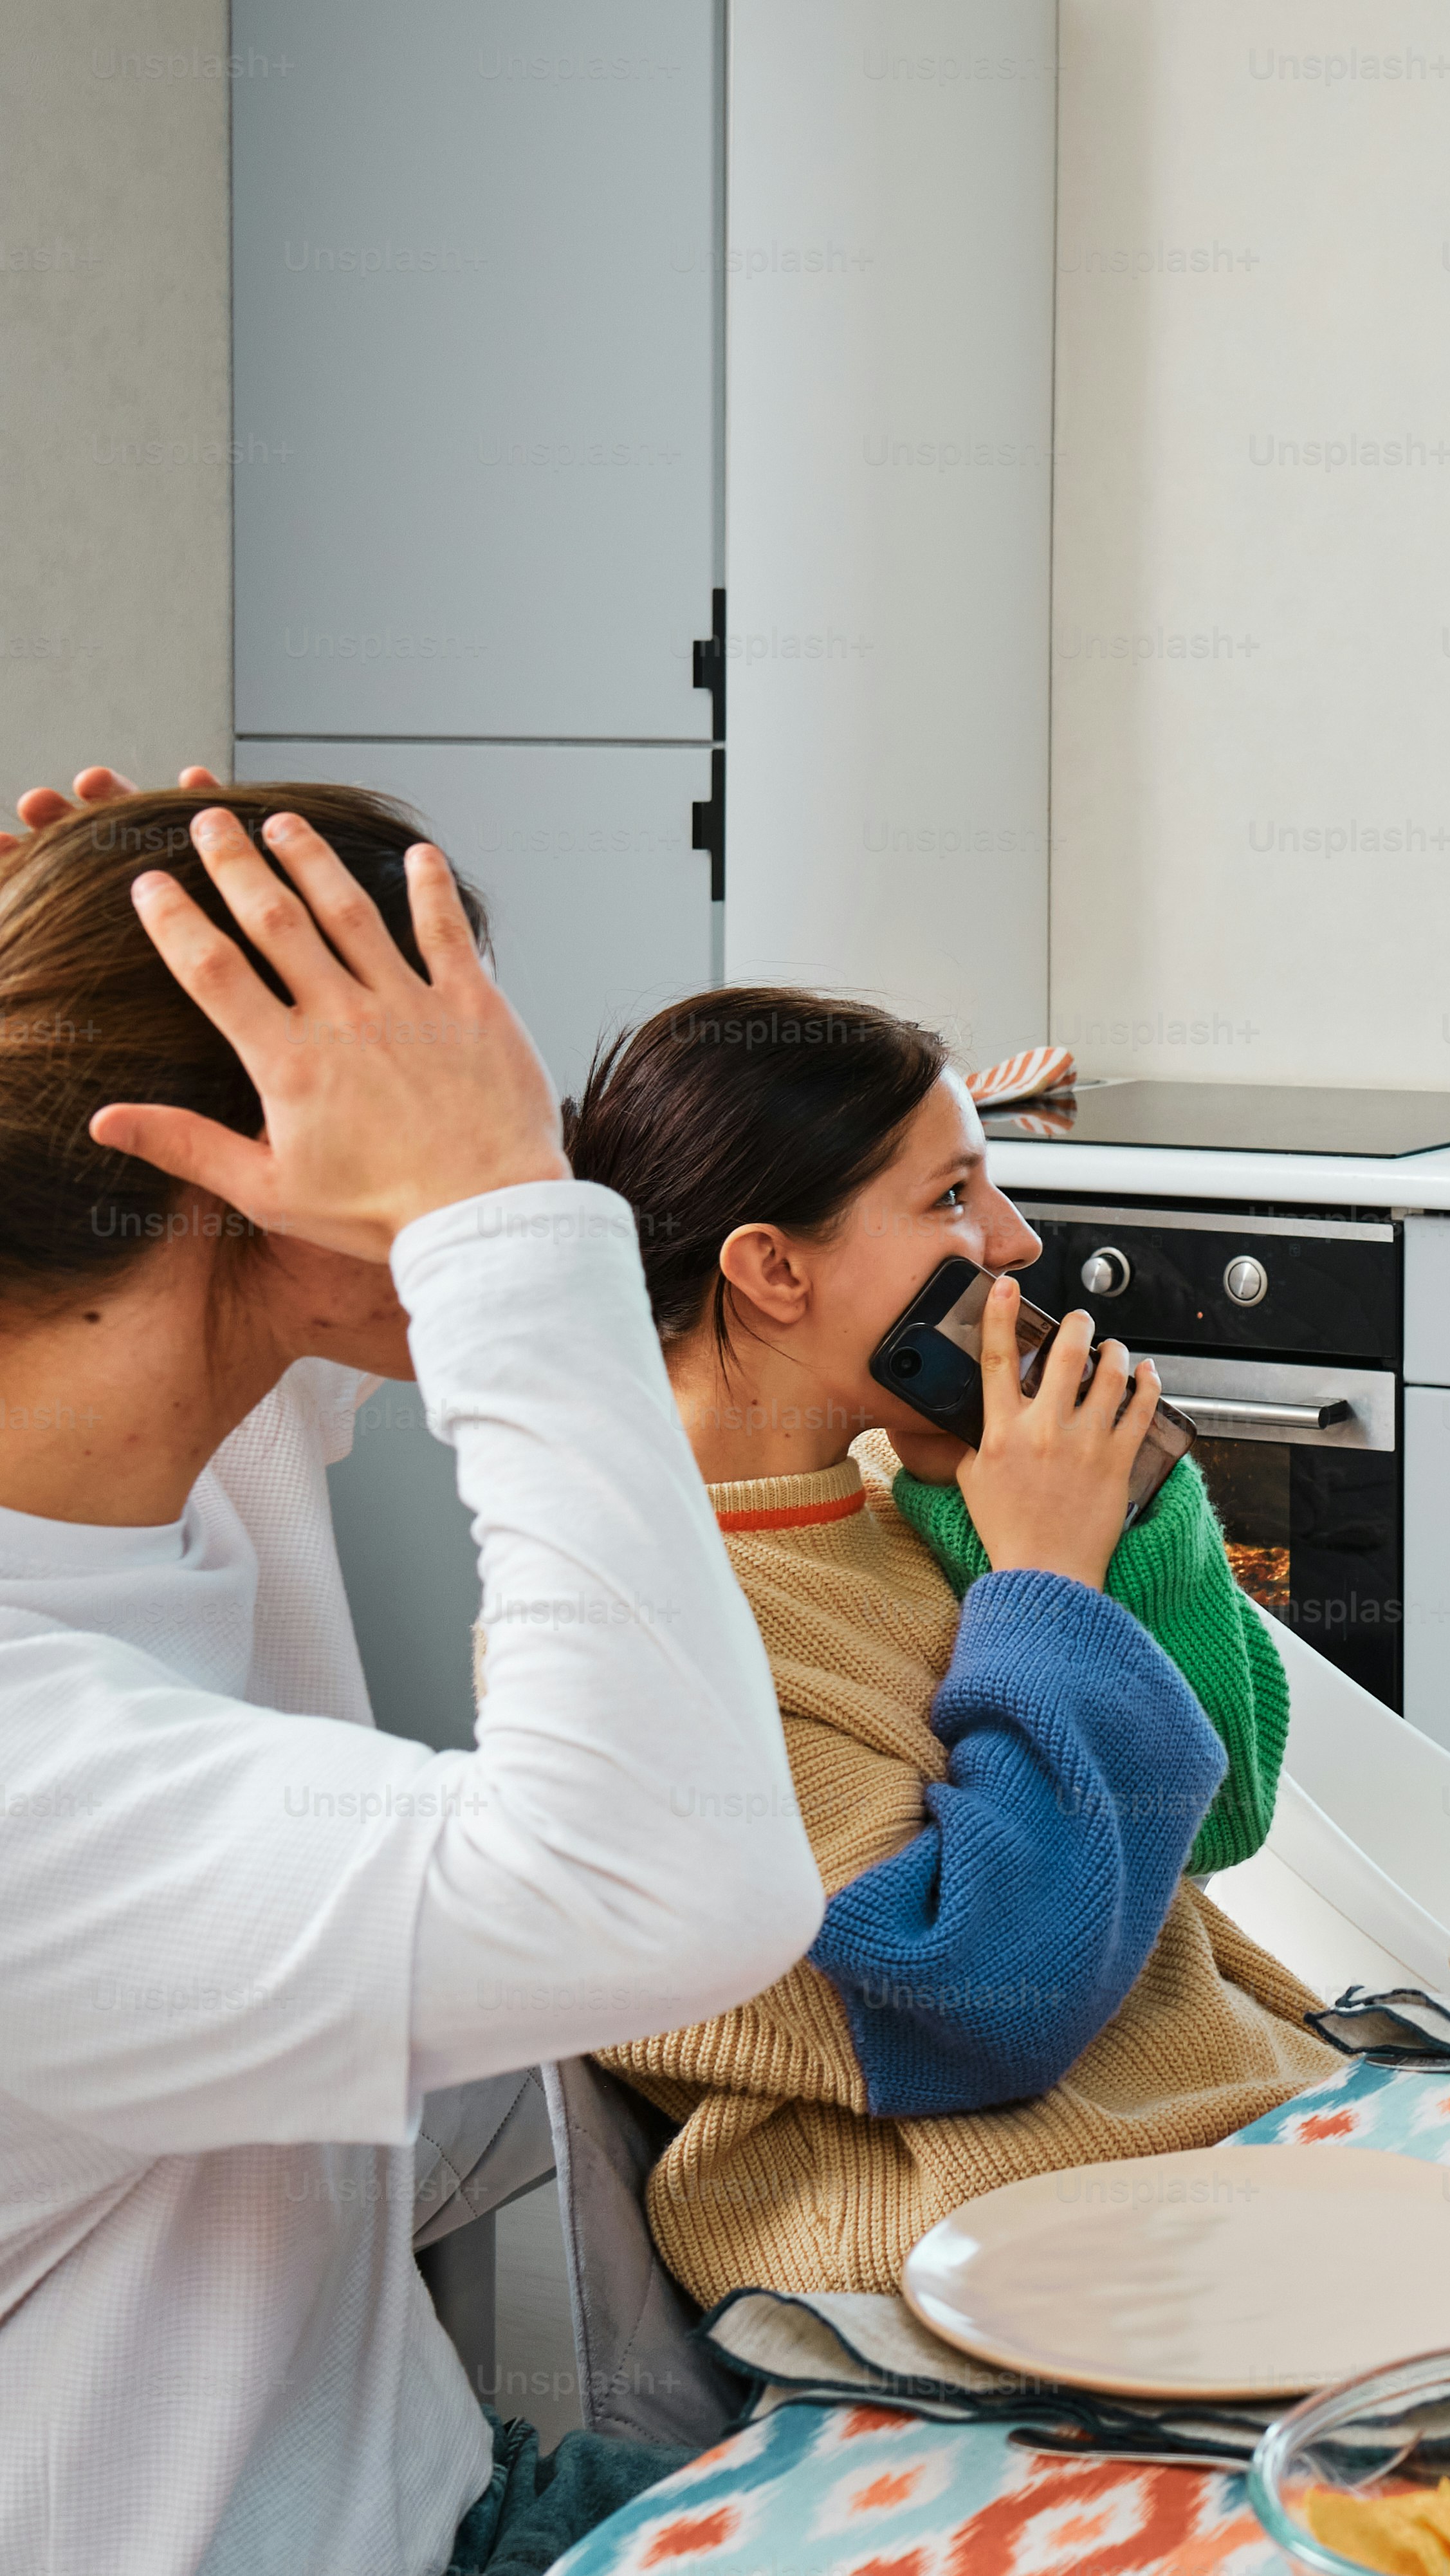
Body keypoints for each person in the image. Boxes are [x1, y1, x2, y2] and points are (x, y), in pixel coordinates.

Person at [0, 775, 823, 2574]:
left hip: (447, 2488)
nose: (521, 1139)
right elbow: (671, 1876)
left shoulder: (168, 1428)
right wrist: (501, 1220)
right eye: (454, 1091)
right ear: (234, 1174)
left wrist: (92, 962)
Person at [561, 990, 1339, 2305]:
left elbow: (1215, 1820)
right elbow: (981, 1999)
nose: (1016, 1242)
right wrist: (1040, 1577)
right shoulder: (632, 1635)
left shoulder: (896, 1491)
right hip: (1001, 2245)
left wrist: (1124, 1522)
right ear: (774, 1269)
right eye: (951, 1200)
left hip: (1223, 2136)